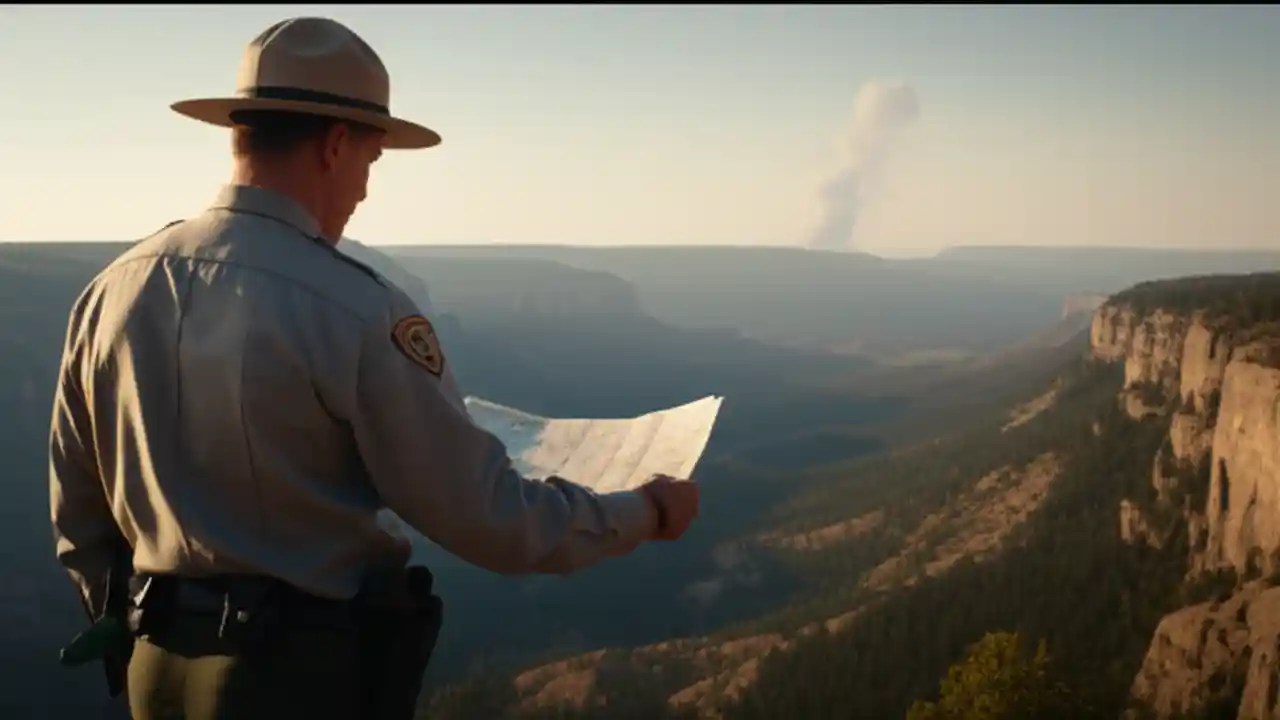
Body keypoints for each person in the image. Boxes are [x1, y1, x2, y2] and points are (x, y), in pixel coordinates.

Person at [48, 15, 700, 720]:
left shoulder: (113, 288)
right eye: (370, 161)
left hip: (156, 673)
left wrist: (140, 624)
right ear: (334, 145)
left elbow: (79, 513)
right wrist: (647, 511)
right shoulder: (355, 309)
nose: (363, 189)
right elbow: (488, 519)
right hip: (291, 678)